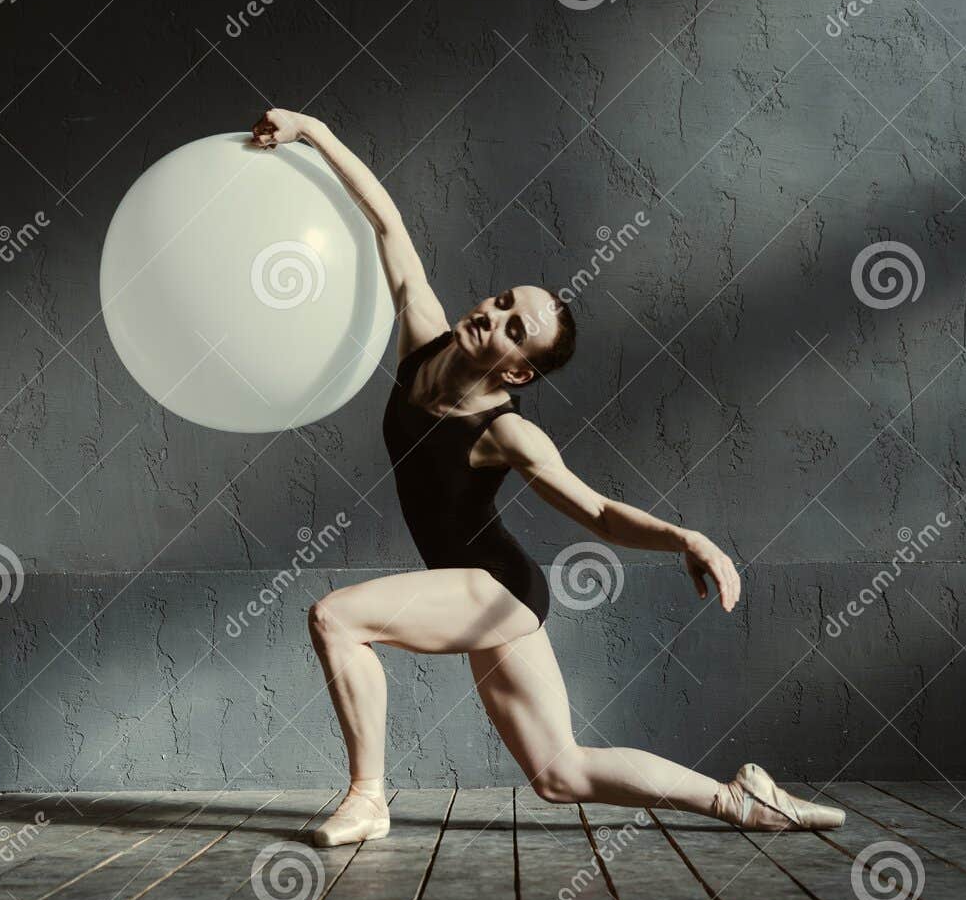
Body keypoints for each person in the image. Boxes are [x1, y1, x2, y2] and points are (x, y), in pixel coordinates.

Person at [249, 110, 844, 846]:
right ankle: (741, 800)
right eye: (502, 302)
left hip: (495, 586)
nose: (492, 315)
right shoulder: (424, 338)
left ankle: (368, 800)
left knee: (336, 618)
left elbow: (597, 513)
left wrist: (686, 537)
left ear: (517, 371)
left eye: (512, 329)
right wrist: (313, 130)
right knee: (561, 774)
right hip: (487, 593)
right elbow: (386, 219)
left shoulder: (507, 433)